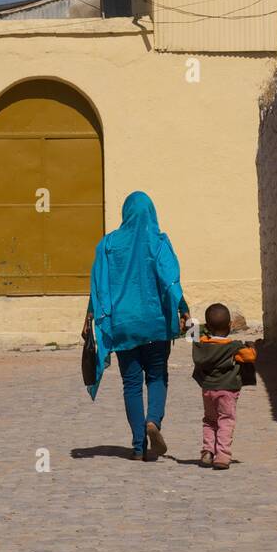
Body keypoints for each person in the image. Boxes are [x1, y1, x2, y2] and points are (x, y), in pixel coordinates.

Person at [84, 191, 190, 460]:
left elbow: (98, 287)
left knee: (131, 383)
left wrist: (89, 317)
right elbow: (170, 280)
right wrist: (183, 308)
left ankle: (139, 446)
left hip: (123, 326)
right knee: (156, 376)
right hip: (155, 325)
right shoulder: (159, 242)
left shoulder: (108, 245)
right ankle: (153, 420)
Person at [191, 302, 257, 469]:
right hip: (227, 391)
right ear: (229, 325)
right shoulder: (233, 348)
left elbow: (194, 331)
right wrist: (252, 347)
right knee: (225, 420)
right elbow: (250, 357)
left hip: (208, 389)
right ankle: (222, 455)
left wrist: (203, 328)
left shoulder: (202, 344)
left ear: (207, 326)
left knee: (210, 420)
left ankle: (207, 452)